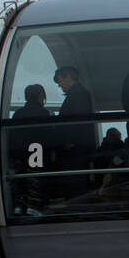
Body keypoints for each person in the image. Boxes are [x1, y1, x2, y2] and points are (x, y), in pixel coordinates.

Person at [53, 65, 94, 205]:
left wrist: (69, 141)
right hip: (79, 148)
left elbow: (77, 121)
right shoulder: (80, 93)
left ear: (68, 77)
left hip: (75, 149)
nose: (60, 86)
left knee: (75, 184)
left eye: (60, 81)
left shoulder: (77, 94)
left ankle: (77, 209)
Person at [9, 83, 51, 214]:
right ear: (40, 96)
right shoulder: (43, 113)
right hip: (37, 150)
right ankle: (33, 206)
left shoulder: (18, 114)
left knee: (22, 179)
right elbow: (47, 135)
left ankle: (19, 205)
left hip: (20, 152)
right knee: (35, 179)